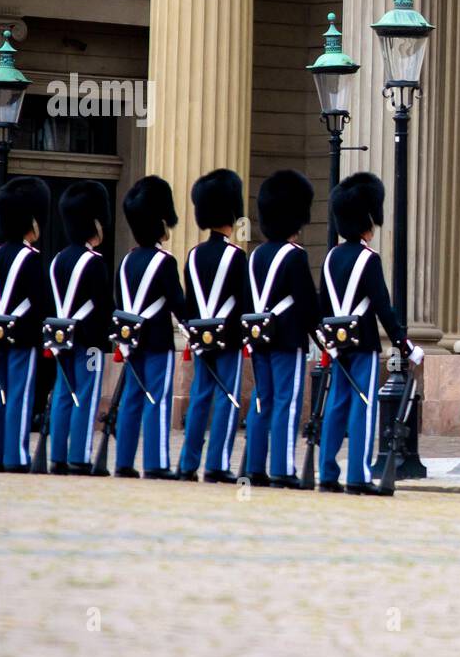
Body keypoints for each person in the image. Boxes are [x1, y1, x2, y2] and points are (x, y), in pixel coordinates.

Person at [318, 172, 422, 495]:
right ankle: (359, 475)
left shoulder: (330, 258)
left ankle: (327, 471)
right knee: (363, 406)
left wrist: (328, 345)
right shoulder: (369, 260)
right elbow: (383, 309)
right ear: (366, 221)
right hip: (361, 345)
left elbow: (322, 306)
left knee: (336, 405)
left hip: (337, 346)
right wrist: (405, 346)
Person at [244, 170, 319, 489]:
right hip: (287, 339)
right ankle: (282, 468)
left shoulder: (256, 255)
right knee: (286, 402)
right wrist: (322, 337)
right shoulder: (295, 256)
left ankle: (253, 467)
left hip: (259, 337)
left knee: (262, 401)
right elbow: (307, 305)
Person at [178, 169, 251, 484]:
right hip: (230, 338)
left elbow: (189, 301)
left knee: (199, 395)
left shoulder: (192, 256)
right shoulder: (236, 256)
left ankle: (187, 462)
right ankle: (217, 462)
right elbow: (245, 301)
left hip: (200, 337)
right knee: (226, 398)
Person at [114, 176, 186, 479]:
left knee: (131, 399)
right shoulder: (165, 261)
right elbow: (178, 304)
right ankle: (156, 463)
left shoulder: (126, 262)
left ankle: (123, 461)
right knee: (157, 399)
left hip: (131, 342)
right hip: (156, 340)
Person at [0, 176, 50, 472]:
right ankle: (16, 457)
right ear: (32, 219)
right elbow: (41, 303)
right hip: (24, 336)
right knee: (20, 396)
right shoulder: (32, 258)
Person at [45, 182, 113, 475]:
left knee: (62, 394)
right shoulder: (95, 262)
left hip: (62, 339)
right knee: (86, 395)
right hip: (90, 341)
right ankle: (80, 456)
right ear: (93, 224)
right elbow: (103, 307)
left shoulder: (57, 260)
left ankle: (57, 456)